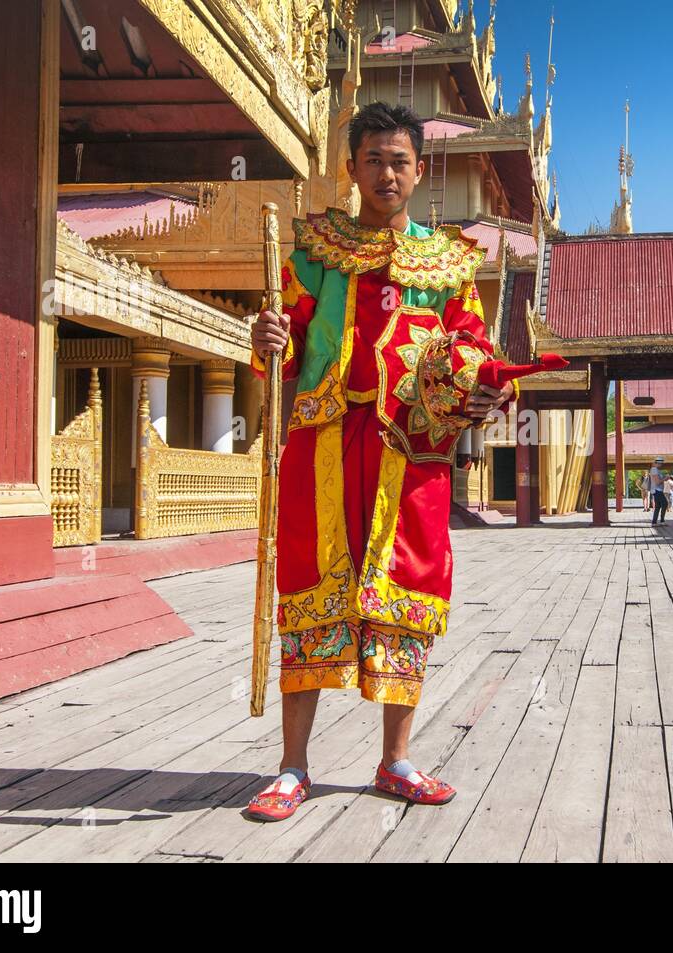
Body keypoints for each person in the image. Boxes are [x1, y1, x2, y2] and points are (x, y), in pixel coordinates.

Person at [244, 102, 517, 820]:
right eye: (373, 160)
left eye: (399, 160)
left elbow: (474, 349)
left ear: (419, 170)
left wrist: (485, 383)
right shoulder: (309, 252)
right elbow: (285, 350)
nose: (386, 173)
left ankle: (396, 759)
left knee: (408, 594)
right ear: (352, 168)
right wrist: (267, 336)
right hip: (323, 446)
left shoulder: (451, 266)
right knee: (309, 586)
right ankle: (293, 767)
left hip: (410, 453)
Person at [649, 457, 669, 525]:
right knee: (665, 503)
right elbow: (657, 482)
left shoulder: (656, 470)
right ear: (658, 463)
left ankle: (654, 522)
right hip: (657, 490)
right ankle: (662, 521)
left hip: (657, 490)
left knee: (658, 506)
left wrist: (664, 479)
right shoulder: (654, 469)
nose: (661, 465)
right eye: (661, 464)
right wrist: (665, 478)